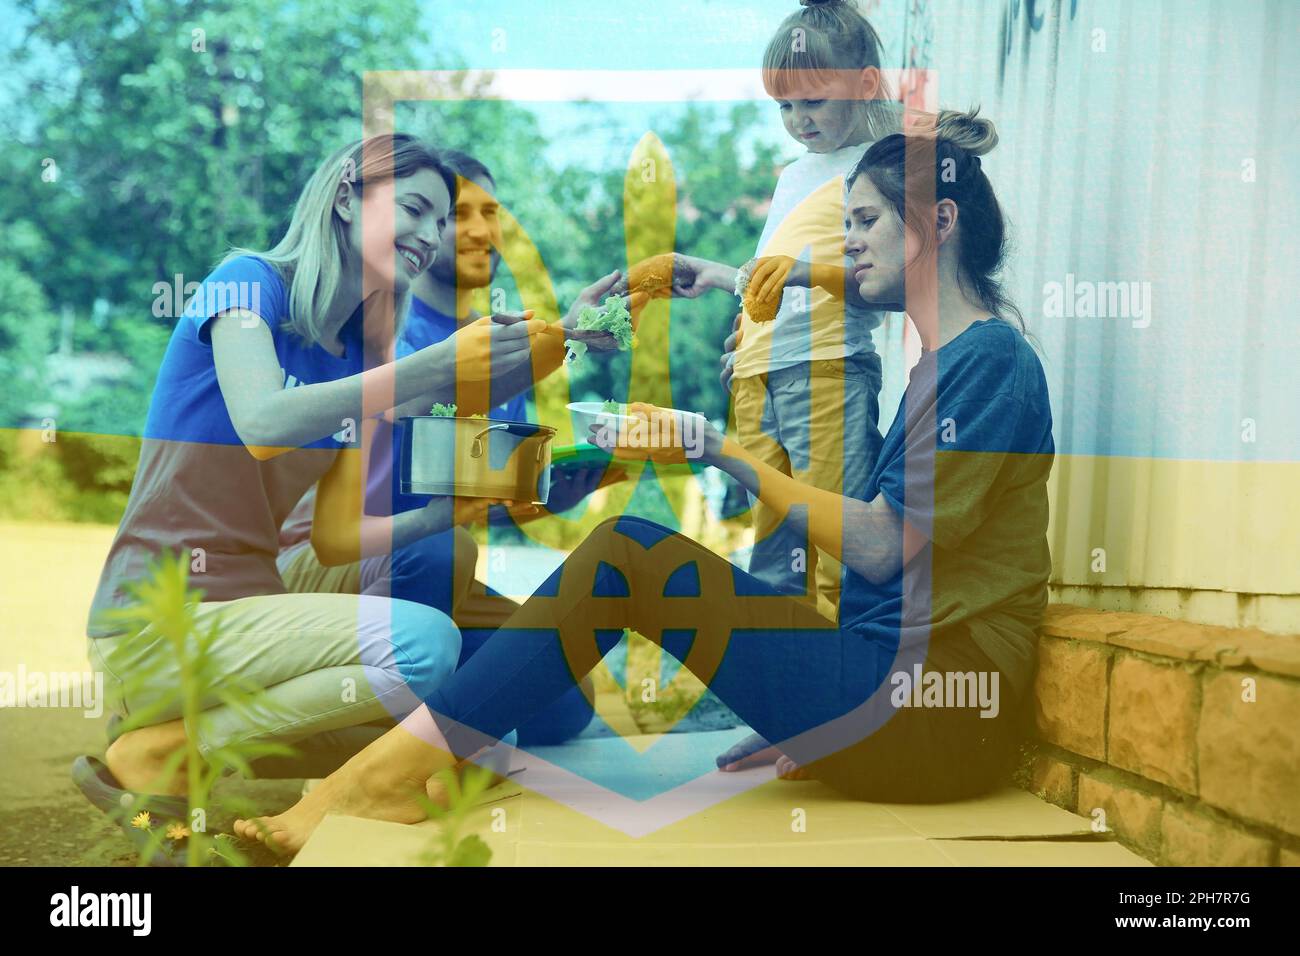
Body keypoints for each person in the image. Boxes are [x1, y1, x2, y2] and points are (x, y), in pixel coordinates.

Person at [235, 108, 1056, 855]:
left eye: (865, 221)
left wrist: (719, 450)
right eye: (846, 223)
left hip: (936, 724)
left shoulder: (989, 362)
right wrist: (802, 702)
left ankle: (385, 778)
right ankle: (395, 769)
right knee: (607, 571)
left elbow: (878, 548)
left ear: (938, 222)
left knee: (628, 555)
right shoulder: (942, 364)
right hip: (884, 696)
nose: (848, 244)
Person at [74, 134, 634, 854]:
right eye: (415, 209)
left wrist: (565, 340)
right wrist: (430, 366)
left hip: (256, 600)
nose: (432, 234)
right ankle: (165, 751)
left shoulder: (359, 349)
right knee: (424, 646)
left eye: (441, 220)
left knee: (467, 738)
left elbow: (338, 538)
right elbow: (263, 420)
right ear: (345, 196)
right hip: (158, 620)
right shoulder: (246, 284)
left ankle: (219, 743)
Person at [276, 149, 611, 749]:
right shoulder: (384, 321)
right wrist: (559, 341)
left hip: (434, 567)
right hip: (348, 558)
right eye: (457, 215)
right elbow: (400, 439)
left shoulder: (498, 340)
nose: (480, 230)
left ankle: (427, 700)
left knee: (566, 702)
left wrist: (547, 497)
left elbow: (470, 495)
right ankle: (385, 743)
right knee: (437, 551)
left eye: (492, 213)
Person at [633, 0, 898, 623]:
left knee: (833, 545)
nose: (798, 119)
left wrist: (797, 279)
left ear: (864, 84)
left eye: (814, 101)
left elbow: (886, 287)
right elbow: (776, 282)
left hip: (827, 371)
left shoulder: (881, 168)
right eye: (784, 105)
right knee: (773, 555)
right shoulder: (793, 176)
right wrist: (721, 281)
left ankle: (844, 678)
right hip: (759, 380)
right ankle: (782, 683)